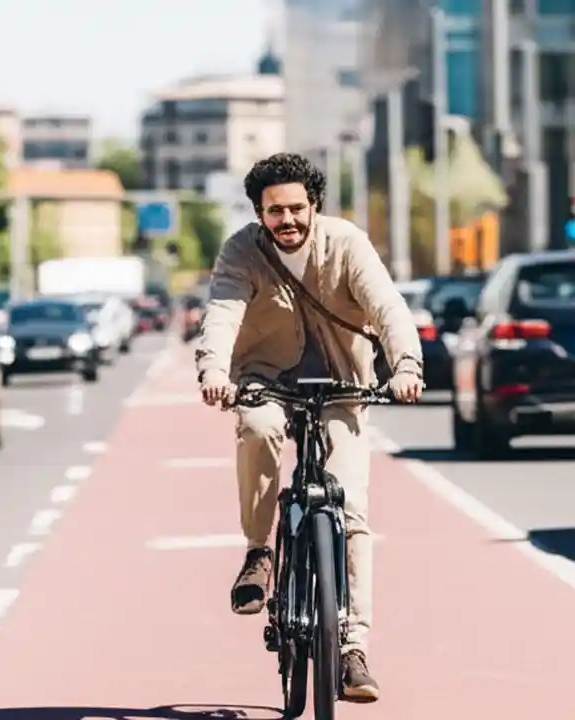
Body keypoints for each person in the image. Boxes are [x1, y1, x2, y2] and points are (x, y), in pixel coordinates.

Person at [195, 152, 424, 703]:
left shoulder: (346, 243)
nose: (288, 220)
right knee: (256, 428)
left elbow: (387, 306)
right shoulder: (242, 252)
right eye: (275, 211)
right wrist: (213, 372)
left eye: (297, 208)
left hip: (343, 382)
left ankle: (351, 648)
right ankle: (259, 553)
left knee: (351, 510)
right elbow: (222, 313)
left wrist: (407, 366)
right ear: (260, 213)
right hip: (266, 379)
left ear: (314, 205)